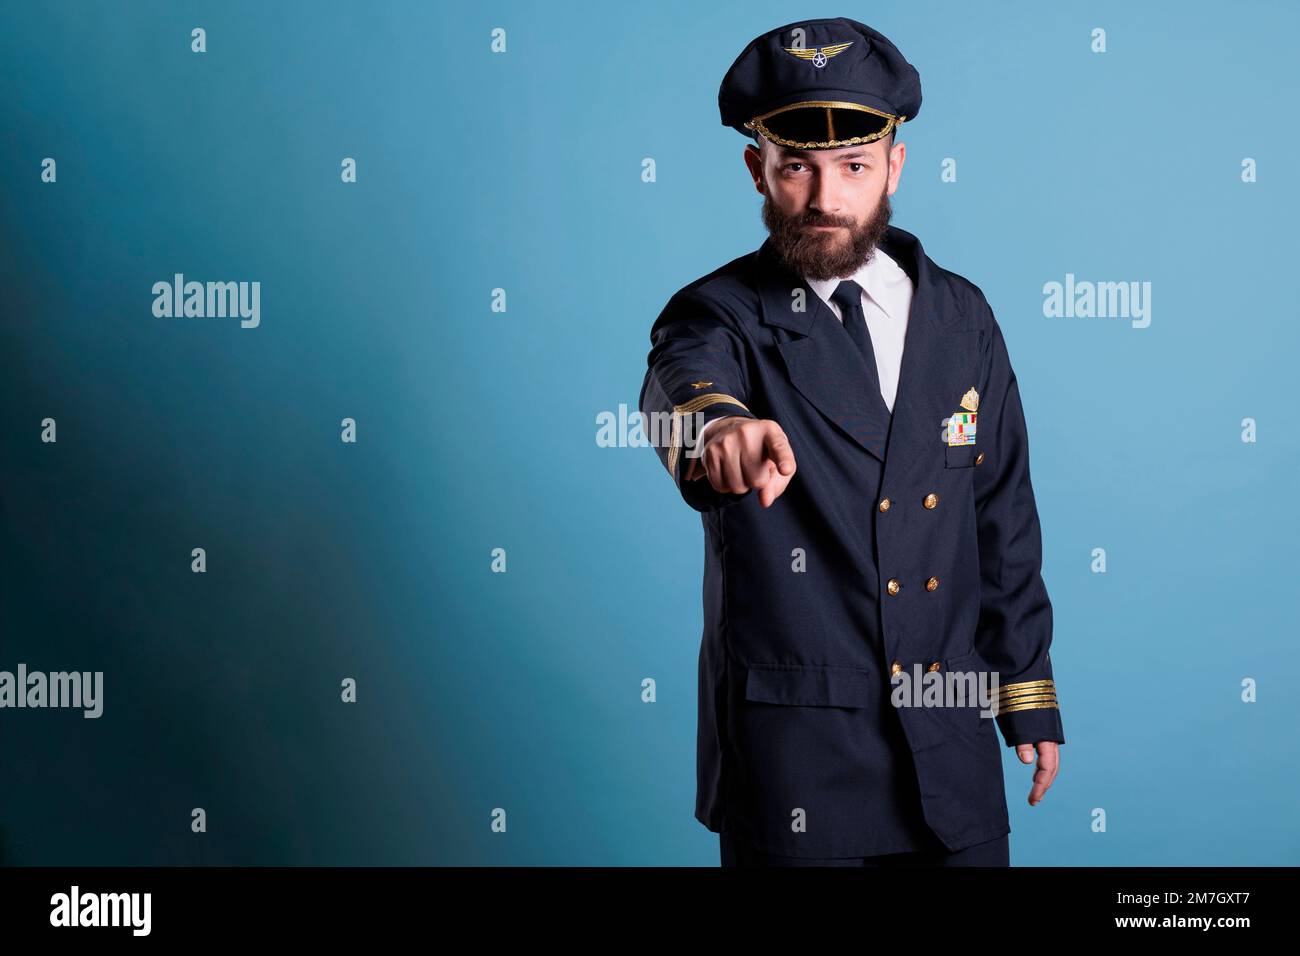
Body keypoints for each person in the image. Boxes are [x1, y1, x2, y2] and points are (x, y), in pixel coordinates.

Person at [638, 17, 1064, 867]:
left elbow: (1002, 515)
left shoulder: (963, 317)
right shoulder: (717, 312)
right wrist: (718, 426)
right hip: (798, 763)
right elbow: (679, 390)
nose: (826, 198)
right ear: (759, 169)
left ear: (894, 166)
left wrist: (1026, 694)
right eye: (798, 167)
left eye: (854, 167)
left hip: (950, 745)